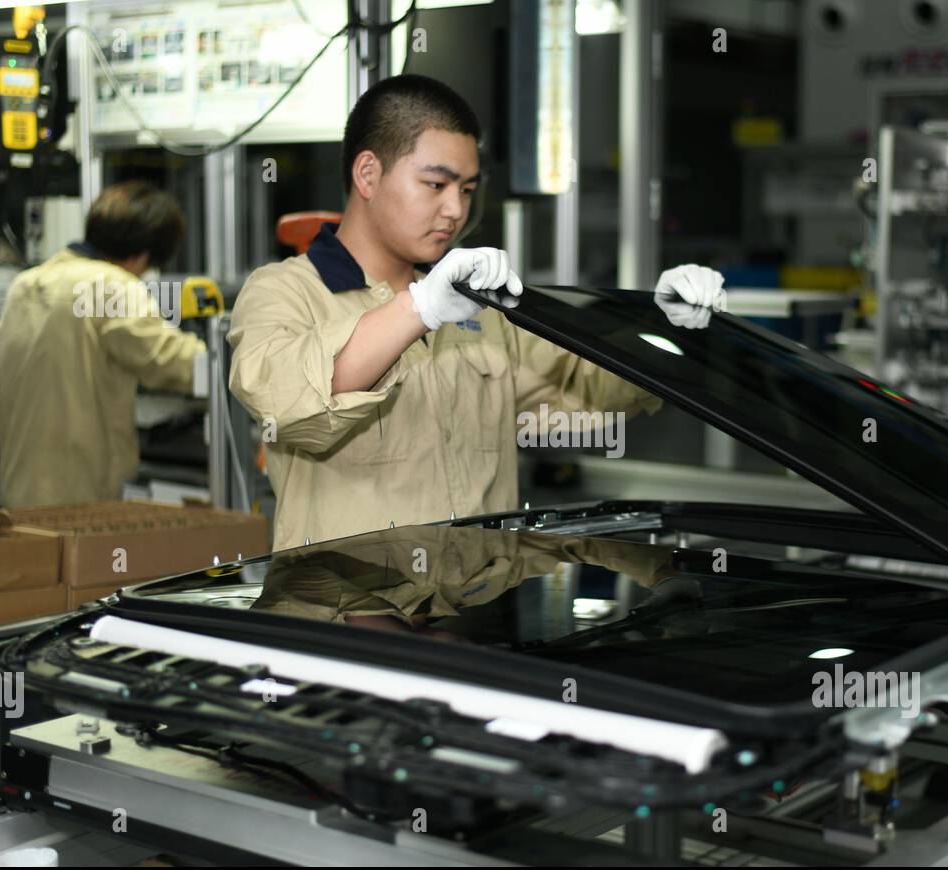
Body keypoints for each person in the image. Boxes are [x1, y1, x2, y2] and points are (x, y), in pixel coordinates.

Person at [228, 75, 725, 550]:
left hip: (475, 617)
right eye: (435, 185)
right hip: (352, 624)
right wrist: (420, 309)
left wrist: (661, 328)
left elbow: (585, 390)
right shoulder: (285, 292)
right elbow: (291, 402)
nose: (455, 211)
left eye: (466, 189)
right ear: (368, 174)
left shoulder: (476, 309)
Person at [0, 181, 206, 507]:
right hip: (79, 501)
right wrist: (230, 358)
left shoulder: (26, 284)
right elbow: (167, 360)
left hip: (20, 495)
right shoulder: (110, 285)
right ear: (142, 255)